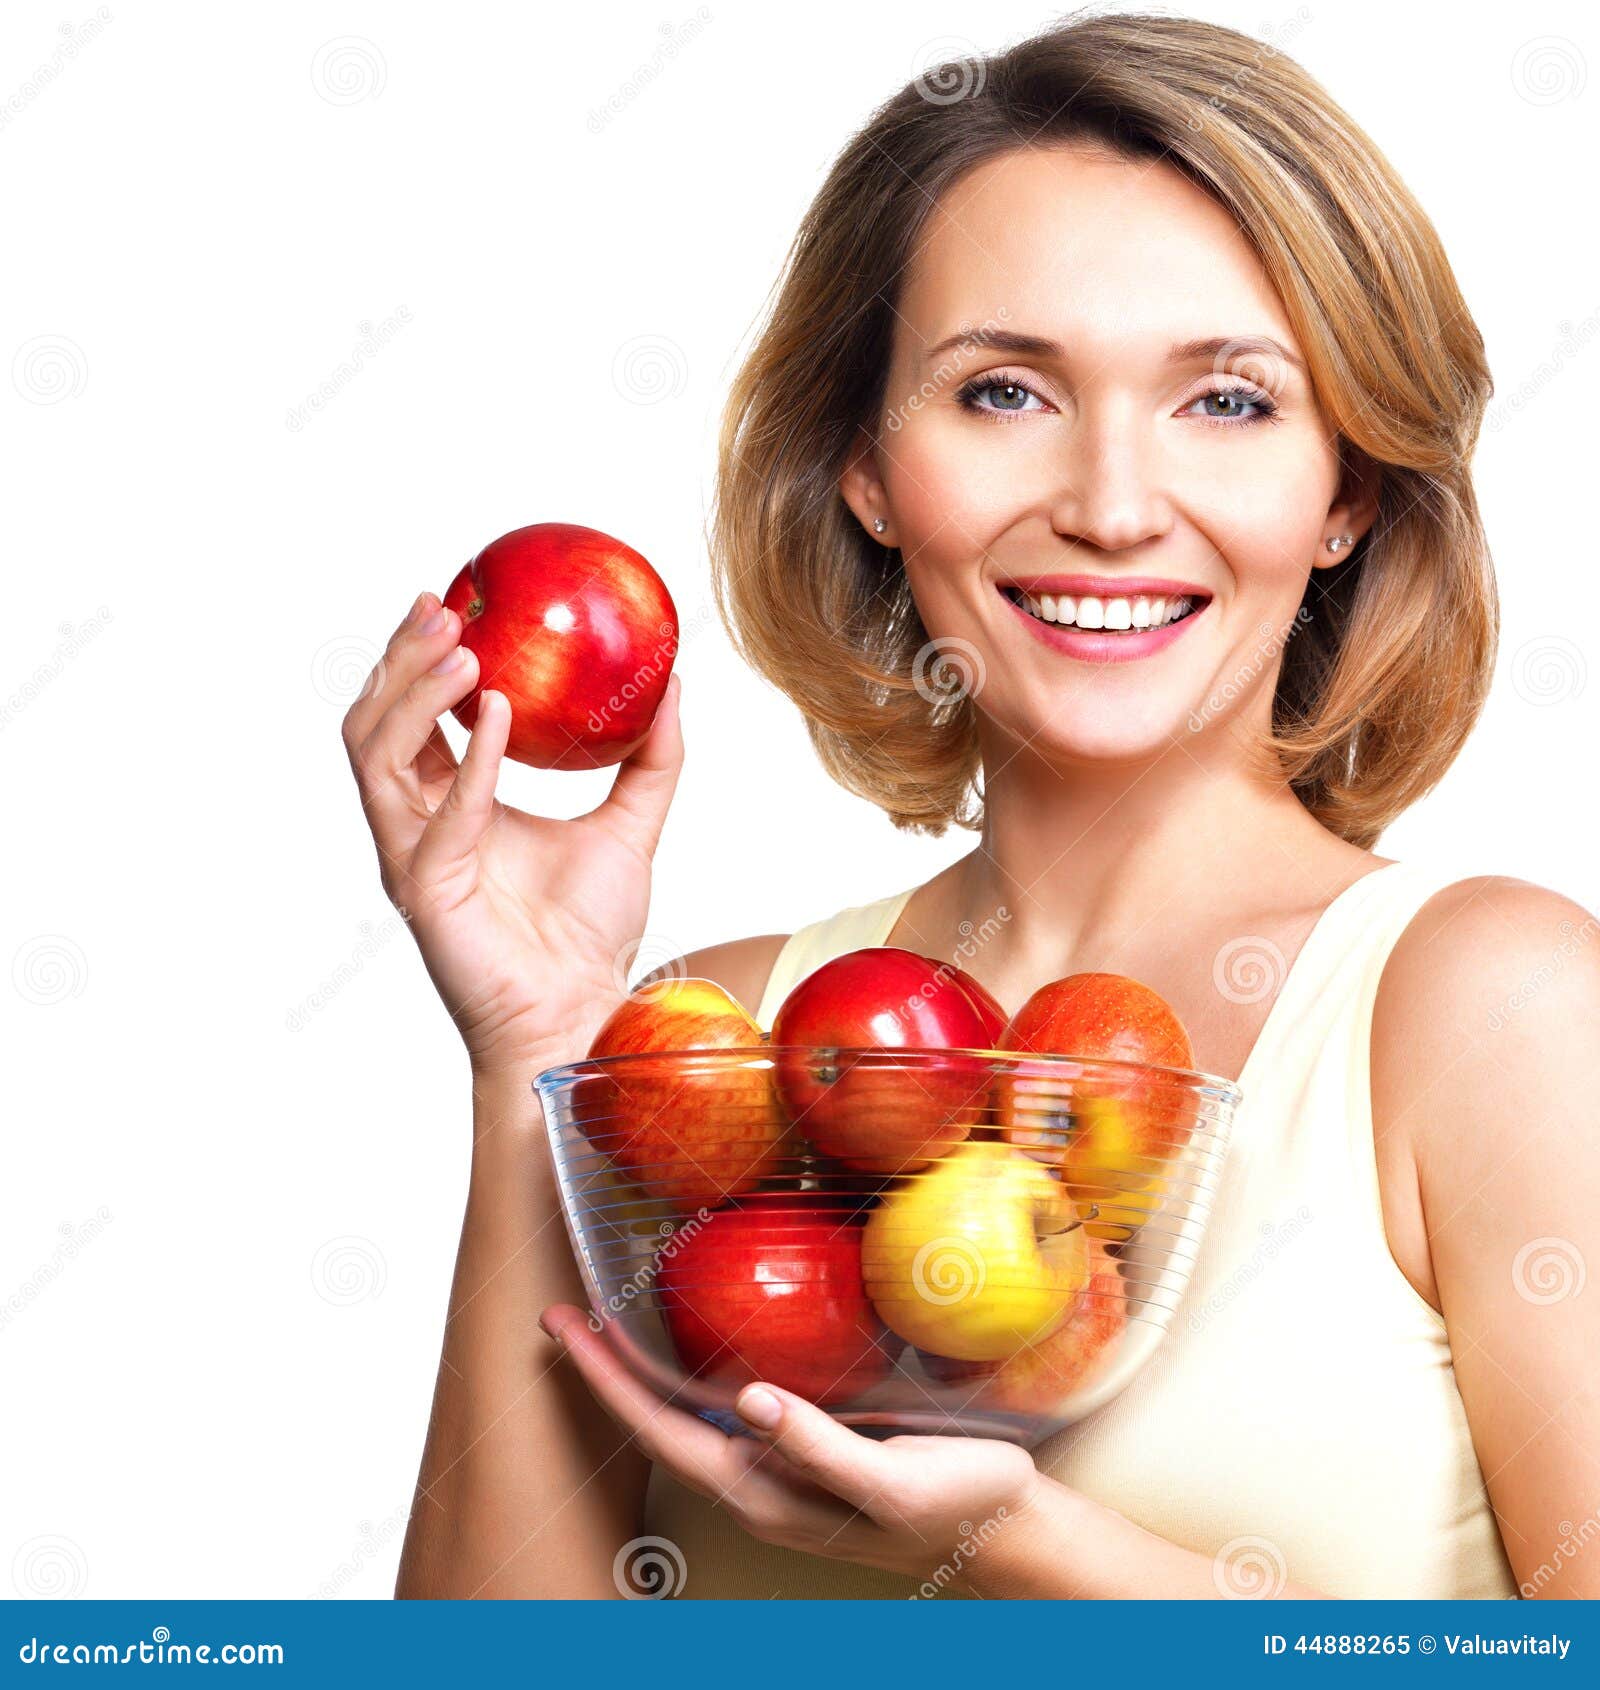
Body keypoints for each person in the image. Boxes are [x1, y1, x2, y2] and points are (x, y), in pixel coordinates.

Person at [342, 11, 1600, 1599]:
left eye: (1228, 401)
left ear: (1345, 489)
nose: (1112, 505)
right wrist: (534, 1062)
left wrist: (1025, 1536)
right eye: (1006, 391)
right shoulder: (718, 1038)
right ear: (868, 463)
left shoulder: (1487, 1009)